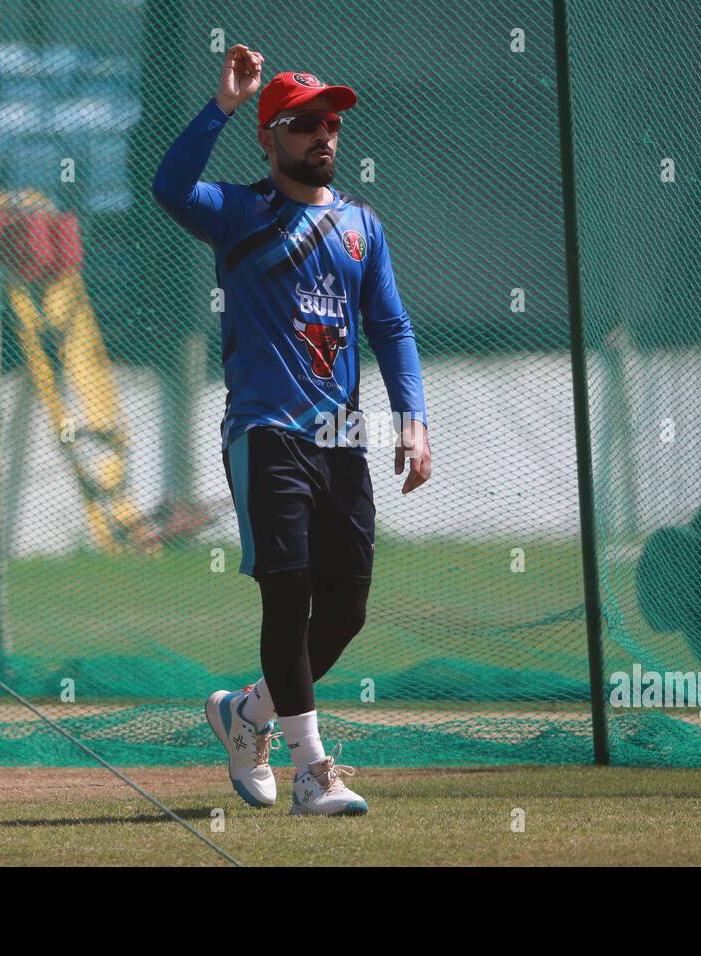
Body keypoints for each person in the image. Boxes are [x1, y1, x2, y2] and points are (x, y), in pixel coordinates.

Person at [153, 45, 432, 816]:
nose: (323, 135)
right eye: (304, 123)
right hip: (265, 432)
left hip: (342, 437)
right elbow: (168, 187)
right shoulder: (239, 213)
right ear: (269, 138)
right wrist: (224, 104)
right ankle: (314, 772)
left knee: (345, 610)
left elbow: (392, 326)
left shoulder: (360, 225)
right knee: (289, 595)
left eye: (331, 122)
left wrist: (414, 421)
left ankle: (246, 717)